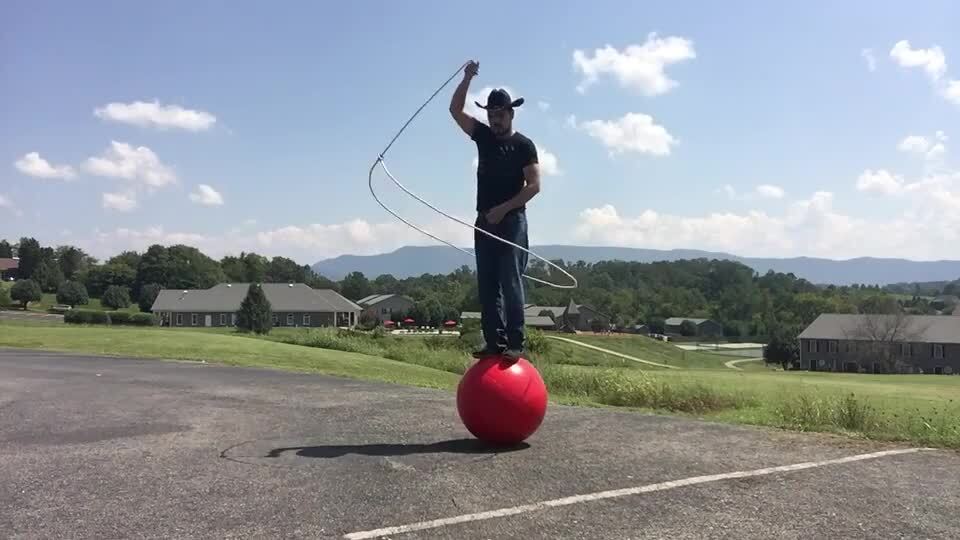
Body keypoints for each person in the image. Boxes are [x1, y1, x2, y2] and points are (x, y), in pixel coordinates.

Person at [449, 60, 541, 361]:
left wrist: (504, 209)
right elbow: (455, 110)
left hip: (512, 221)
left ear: (511, 114)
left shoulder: (524, 145)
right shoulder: (483, 136)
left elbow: (534, 186)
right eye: (490, 115)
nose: (495, 120)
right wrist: (467, 78)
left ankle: (515, 343)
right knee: (487, 285)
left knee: (510, 281)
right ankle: (494, 342)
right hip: (484, 221)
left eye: (499, 115)